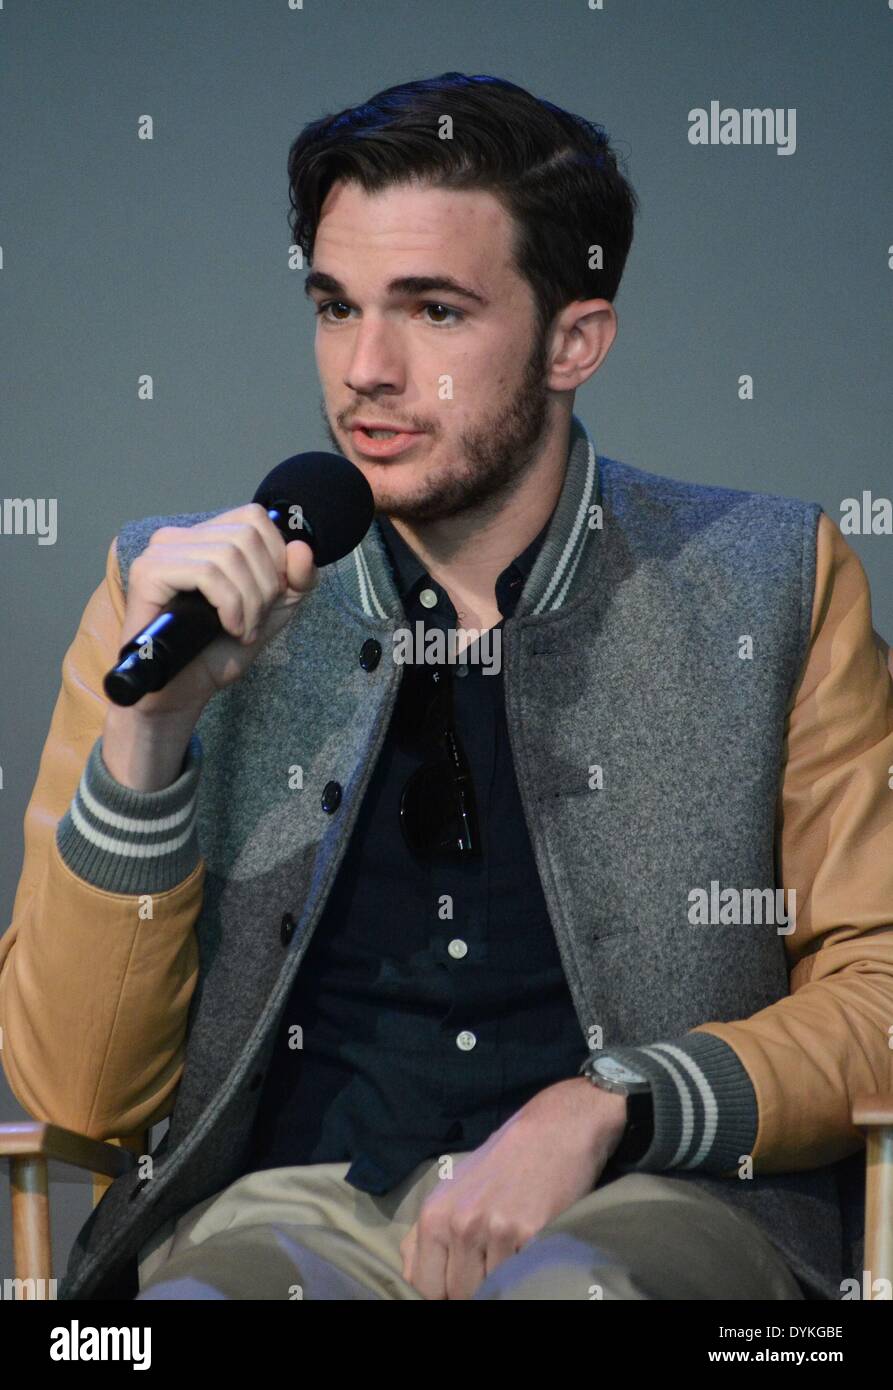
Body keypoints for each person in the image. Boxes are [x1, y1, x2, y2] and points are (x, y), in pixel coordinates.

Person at [2, 72, 891, 1302]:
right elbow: (78, 1094)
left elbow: (879, 993)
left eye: (431, 311)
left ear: (573, 338)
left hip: (650, 1212)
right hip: (270, 1220)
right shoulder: (165, 589)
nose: (364, 368)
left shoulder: (771, 580)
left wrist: (612, 1104)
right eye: (333, 305)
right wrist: (150, 734)